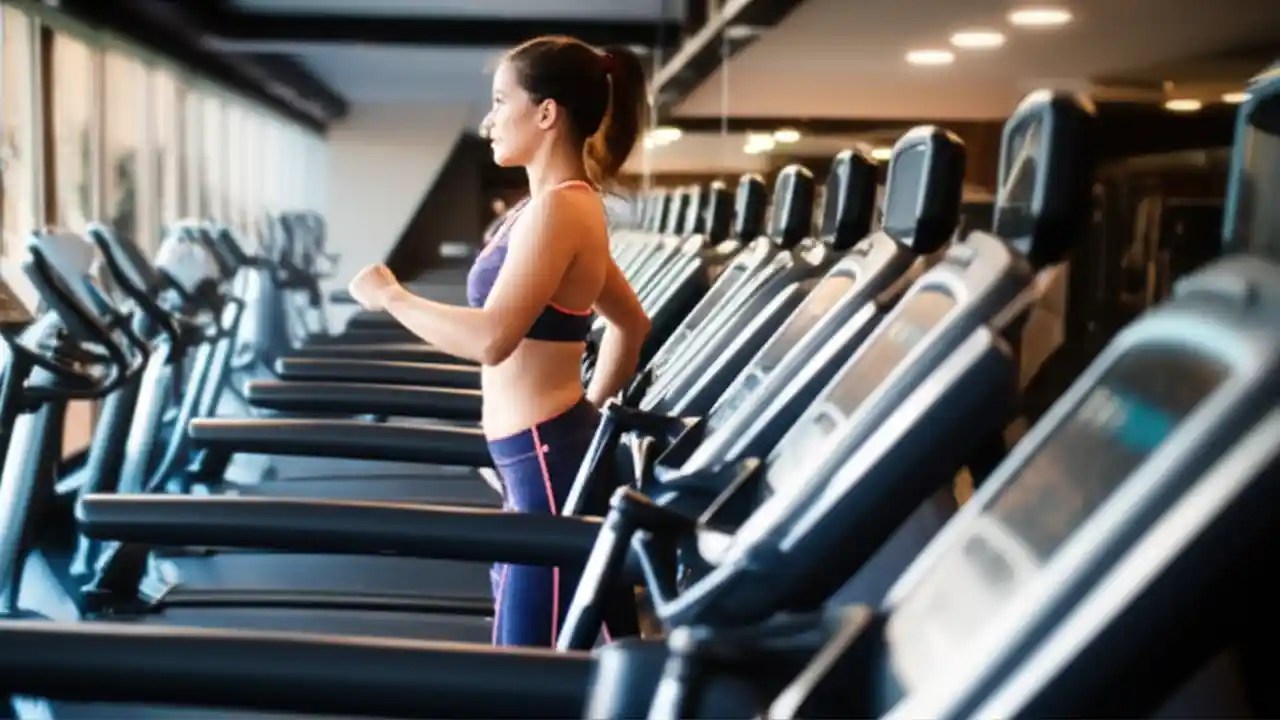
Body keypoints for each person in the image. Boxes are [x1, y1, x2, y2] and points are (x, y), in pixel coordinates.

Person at [347, 35, 652, 648]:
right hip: (540, 451)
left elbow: (492, 340)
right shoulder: (550, 208)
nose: (488, 120)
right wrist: (589, 418)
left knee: (533, 661)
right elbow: (630, 324)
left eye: (498, 101)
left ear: (546, 113)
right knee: (570, 650)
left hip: (543, 455)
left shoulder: (559, 211)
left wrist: (391, 296)